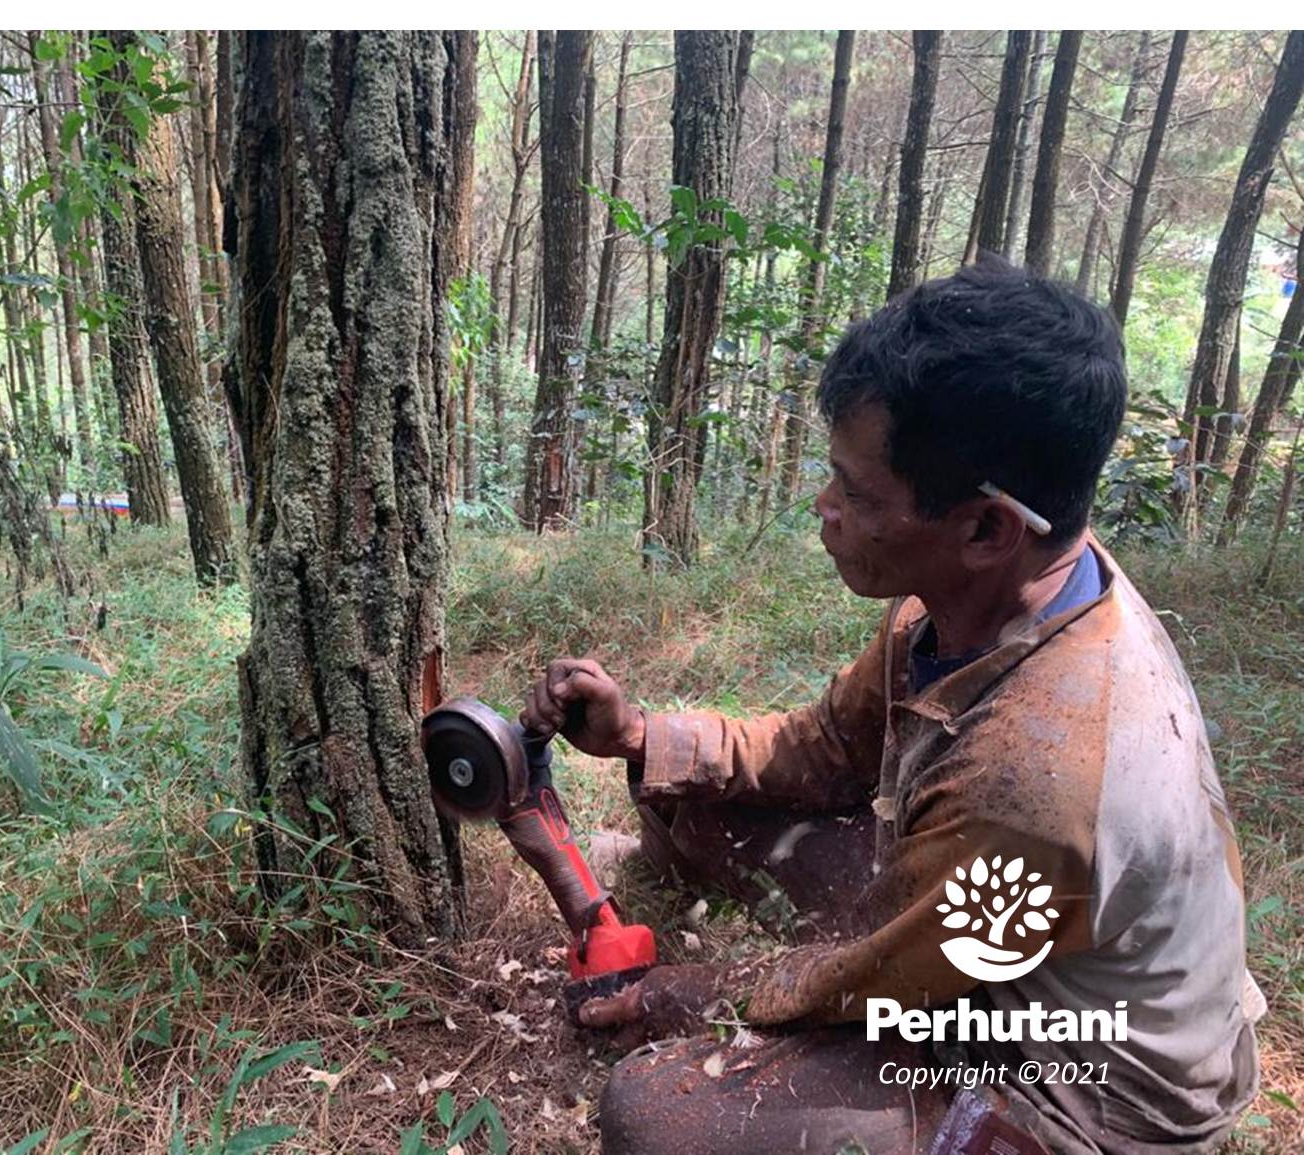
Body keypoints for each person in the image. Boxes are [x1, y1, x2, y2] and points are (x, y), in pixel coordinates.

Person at [521, 260, 1262, 1155]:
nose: (824, 507)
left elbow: (883, 982)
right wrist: (640, 736)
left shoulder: (1039, 773)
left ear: (987, 528)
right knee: (681, 787)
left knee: (655, 1113)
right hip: (976, 931)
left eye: (859, 494)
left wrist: (674, 993)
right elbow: (824, 748)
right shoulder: (979, 596)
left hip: (1075, 1077)